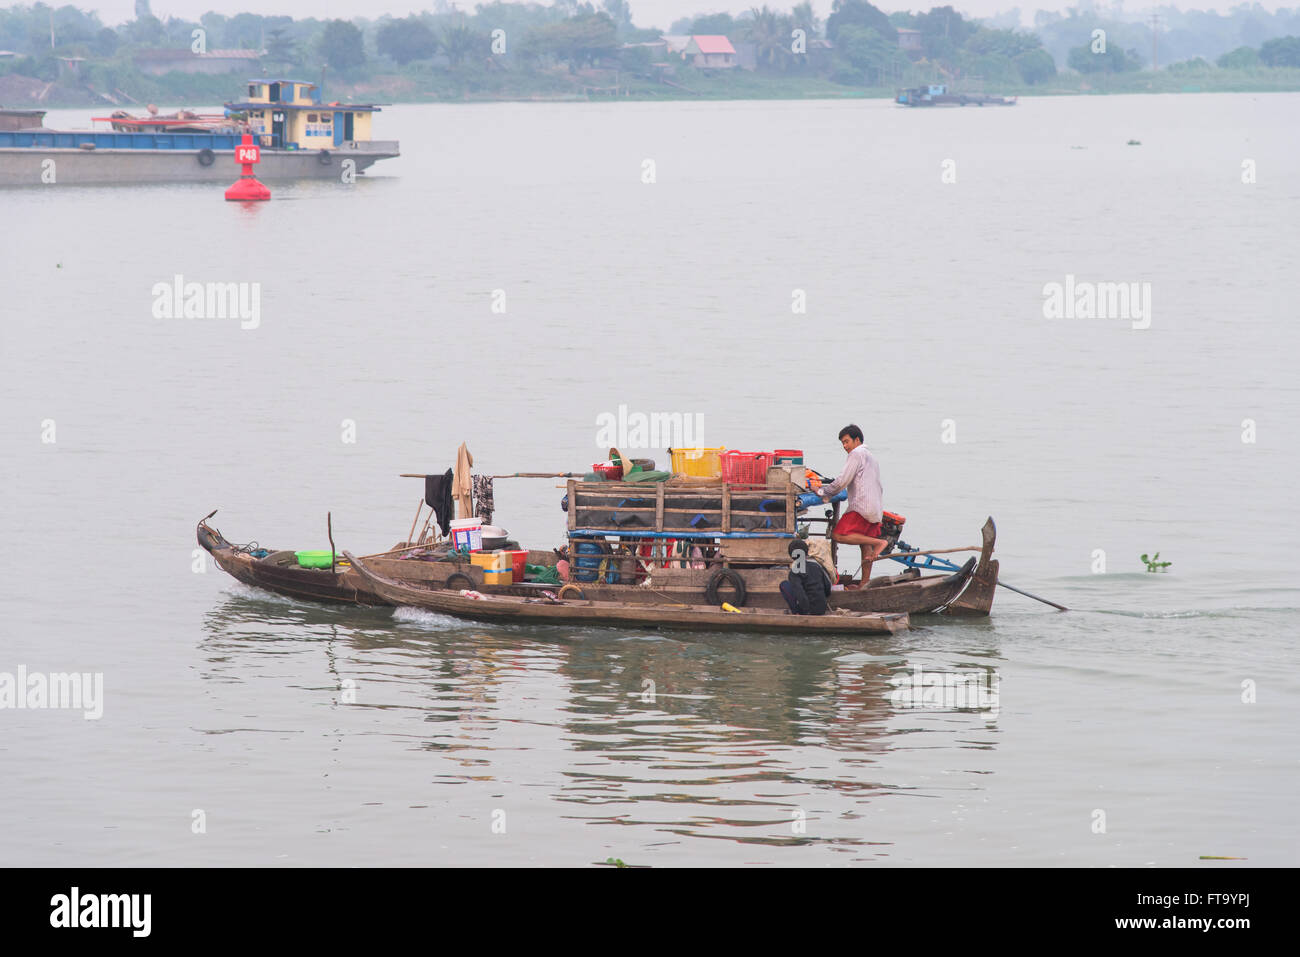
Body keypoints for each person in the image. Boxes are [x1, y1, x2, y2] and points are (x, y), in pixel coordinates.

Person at [819, 424, 886, 588]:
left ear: (857, 440)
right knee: (865, 544)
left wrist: (822, 492)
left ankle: (879, 543)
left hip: (862, 506)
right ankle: (864, 583)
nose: (845, 446)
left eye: (847, 441)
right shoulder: (871, 456)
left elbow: (842, 481)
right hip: (875, 507)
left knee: (838, 535)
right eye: (842, 443)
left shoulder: (856, 454)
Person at [780, 539, 834, 615]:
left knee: (784, 584)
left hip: (807, 611)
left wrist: (807, 611)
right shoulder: (818, 566)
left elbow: (800, 593)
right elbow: (828, 587)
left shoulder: (794, 572)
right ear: (807, 552)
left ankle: (795, 612)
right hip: (821, 609)